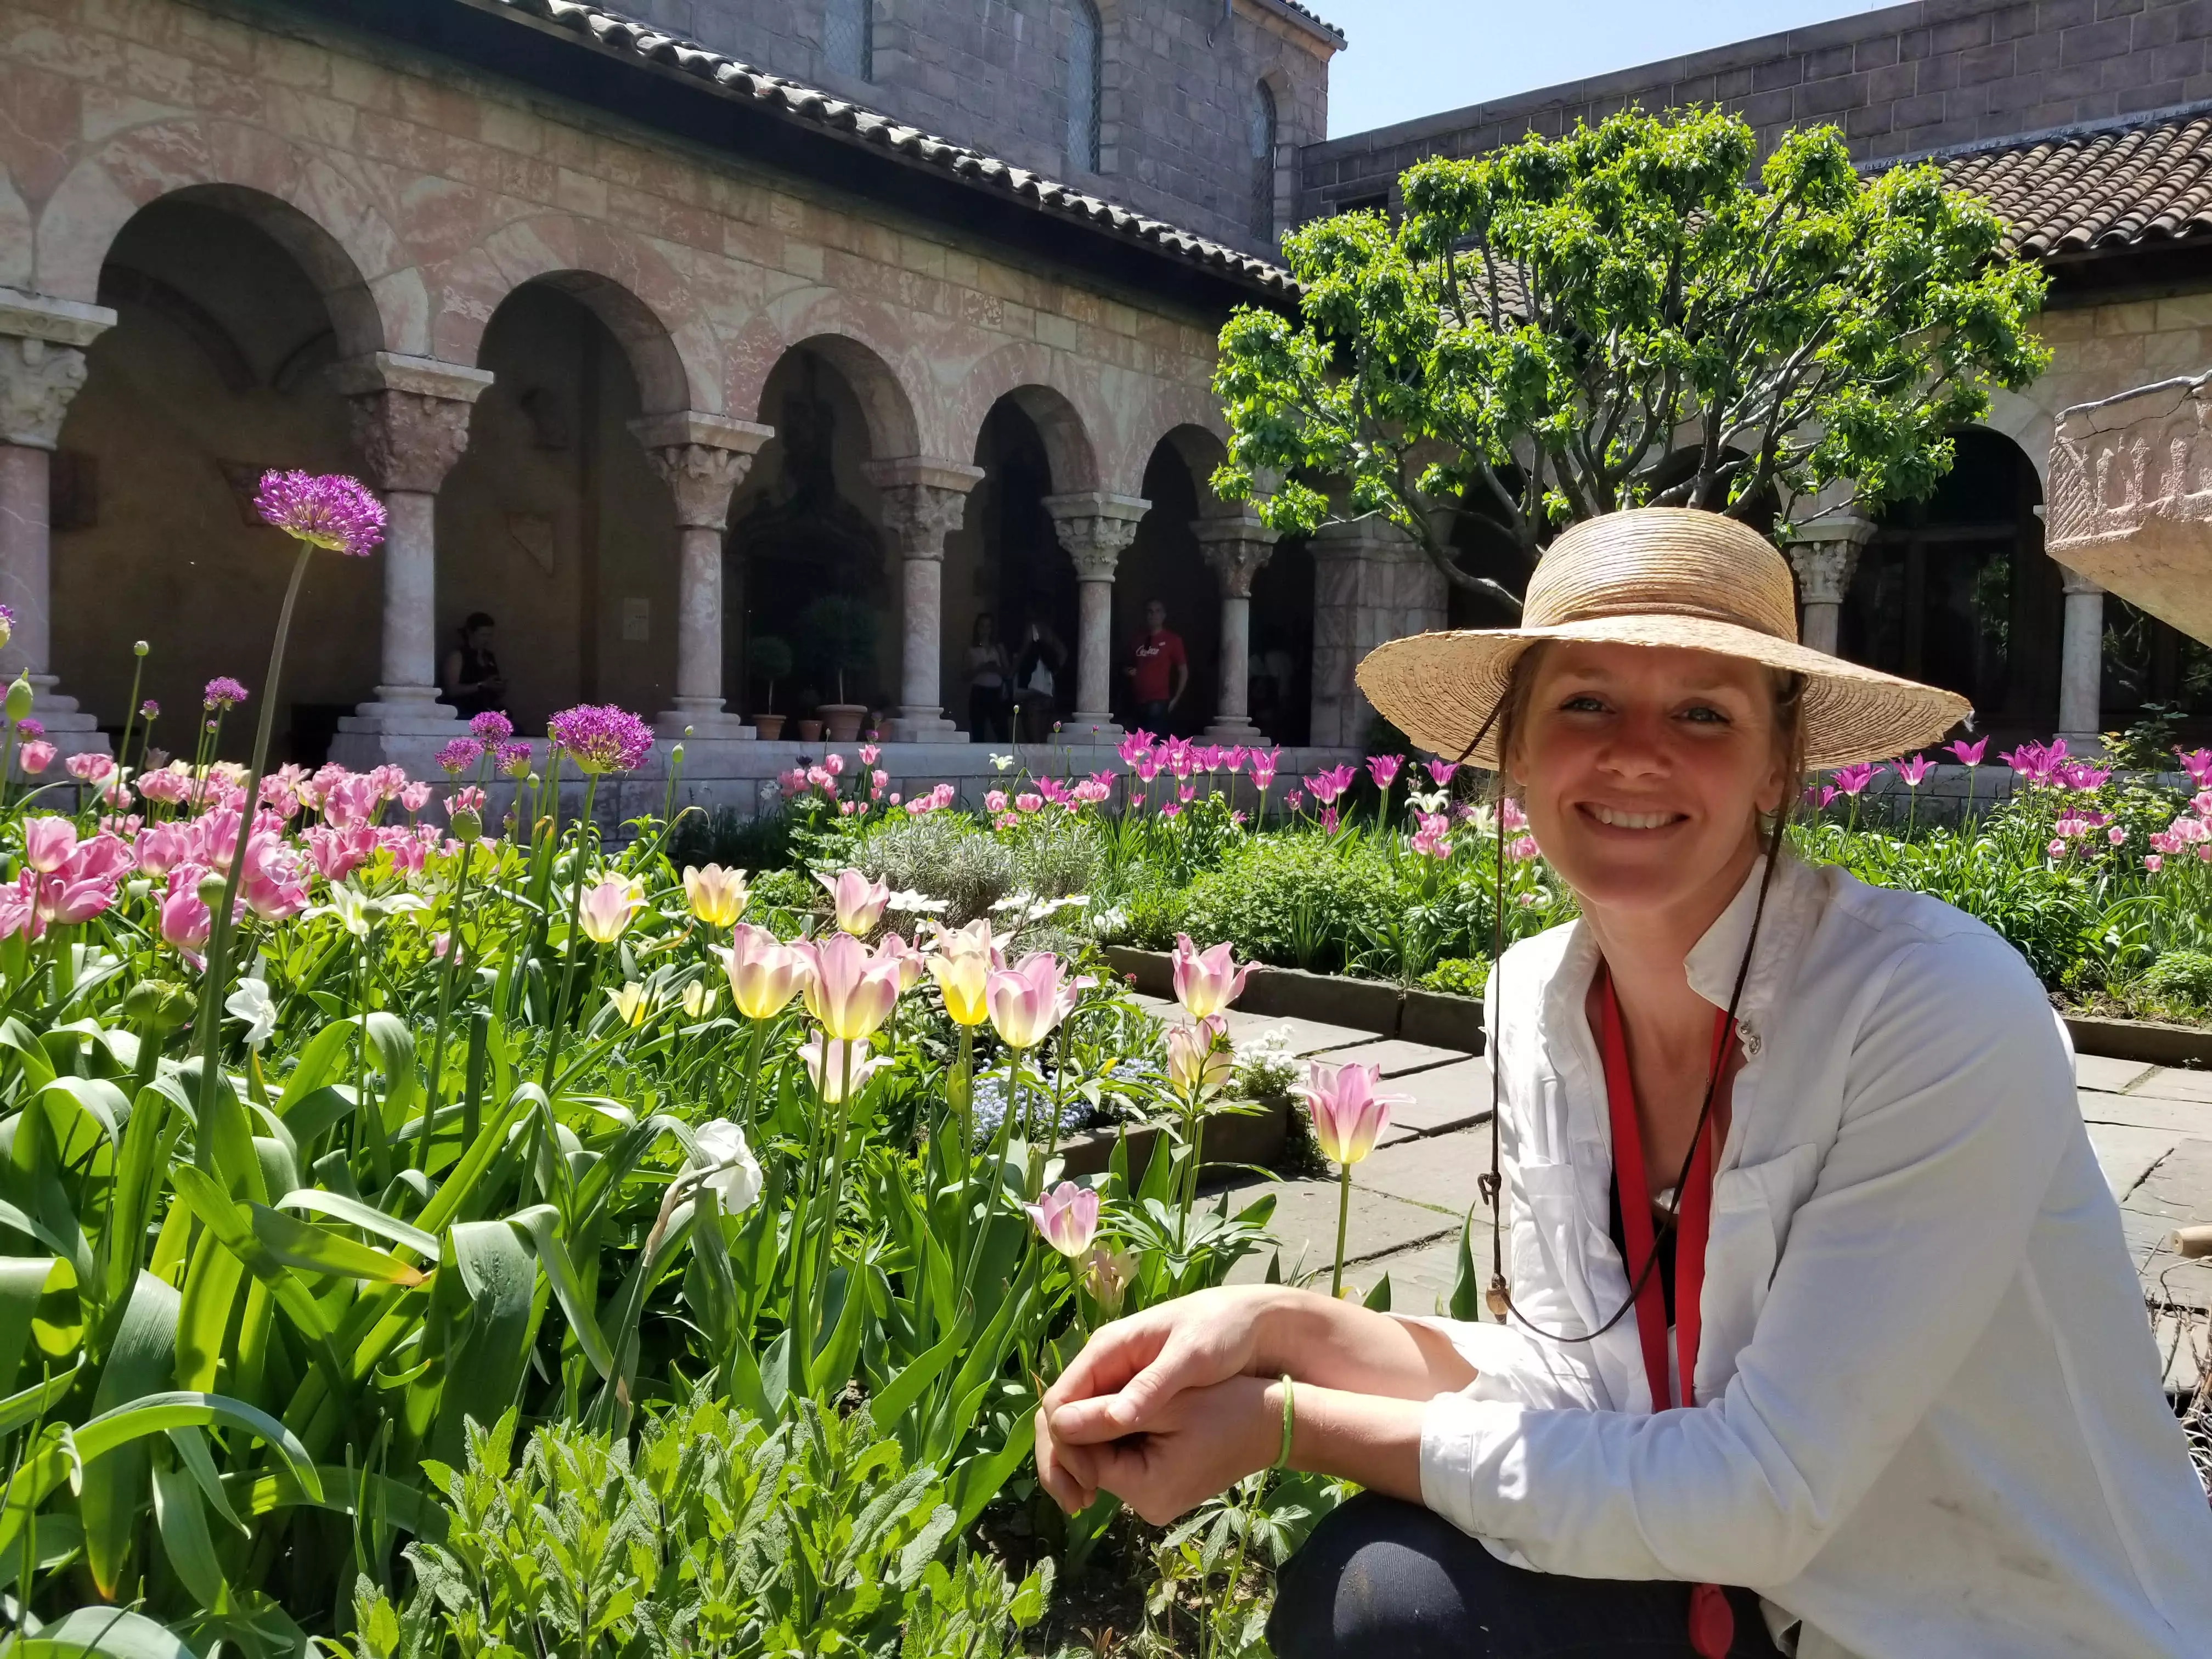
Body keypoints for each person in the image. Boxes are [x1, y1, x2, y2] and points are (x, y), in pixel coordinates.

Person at [1035, 508, 2212, 1659]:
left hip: (1982, 1622)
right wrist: (1273, 1330)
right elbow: (1583, 1375)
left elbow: (1764, 1488)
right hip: (1758, 1601)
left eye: (1703, 711)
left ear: (1778, 763)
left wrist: (1288, 1424)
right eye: (1585, 701)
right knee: (1383, 1599)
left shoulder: (1931, 1007)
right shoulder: (1535, 998)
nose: (1636, 750)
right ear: (1517, 750)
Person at [1126, 597, 1187, 731]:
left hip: (1159, 701)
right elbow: (1128, 665)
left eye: (1158, 611)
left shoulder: (1172, 640)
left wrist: (1176, 698)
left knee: (1154, 746)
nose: (1154, 615)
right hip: (1137, 701)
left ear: (1164, 615)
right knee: (1137, 746)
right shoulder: (1137, 639)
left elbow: (1183, 670)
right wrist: (1129, 672)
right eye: (1150, 611)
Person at [441, 612, 505, 719]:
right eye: (483, 635)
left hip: (488, 710)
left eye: (490, 635)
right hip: (465, 711)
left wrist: (498, 687)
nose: (487, 639)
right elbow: (452, 690)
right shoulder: (458, 656)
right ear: (470, 633)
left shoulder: (488, 657)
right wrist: (482, 685)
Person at [1013, 612, 1065, 741]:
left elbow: (1022, 655)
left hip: (1032, 684)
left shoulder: (1031, 629)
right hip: (1047, 684)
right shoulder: (1049, 633)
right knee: (1043, 737)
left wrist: (1010, 673)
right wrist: (1053, 671)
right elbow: (1064, 653)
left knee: (1033, 736)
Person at [964, 612, 1011, 741]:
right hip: (978, 692)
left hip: (996, 692)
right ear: (977, 628)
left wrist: (995, 668)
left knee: (1002, 733)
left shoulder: (998, 648)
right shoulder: (971, 650)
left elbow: (1008, 673)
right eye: (982, 627)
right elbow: (965, 676)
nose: (985, 631)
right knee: (978, 732)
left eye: (988, 627)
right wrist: (980, 669)